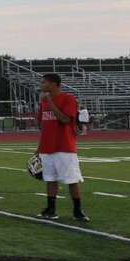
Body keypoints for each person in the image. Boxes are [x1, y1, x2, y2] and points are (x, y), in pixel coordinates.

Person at [35, 73, 88, 221]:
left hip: (64, 146)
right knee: (50, 179)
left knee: (71, 179)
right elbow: (40, 123)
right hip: (47, 146)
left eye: (44, 82)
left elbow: (65, 119)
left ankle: (78, 210)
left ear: (53, 84)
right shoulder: (44, 101)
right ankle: (51, 209)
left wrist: (50, 103)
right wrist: (39, 147)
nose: (42, 85)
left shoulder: (68, 99)